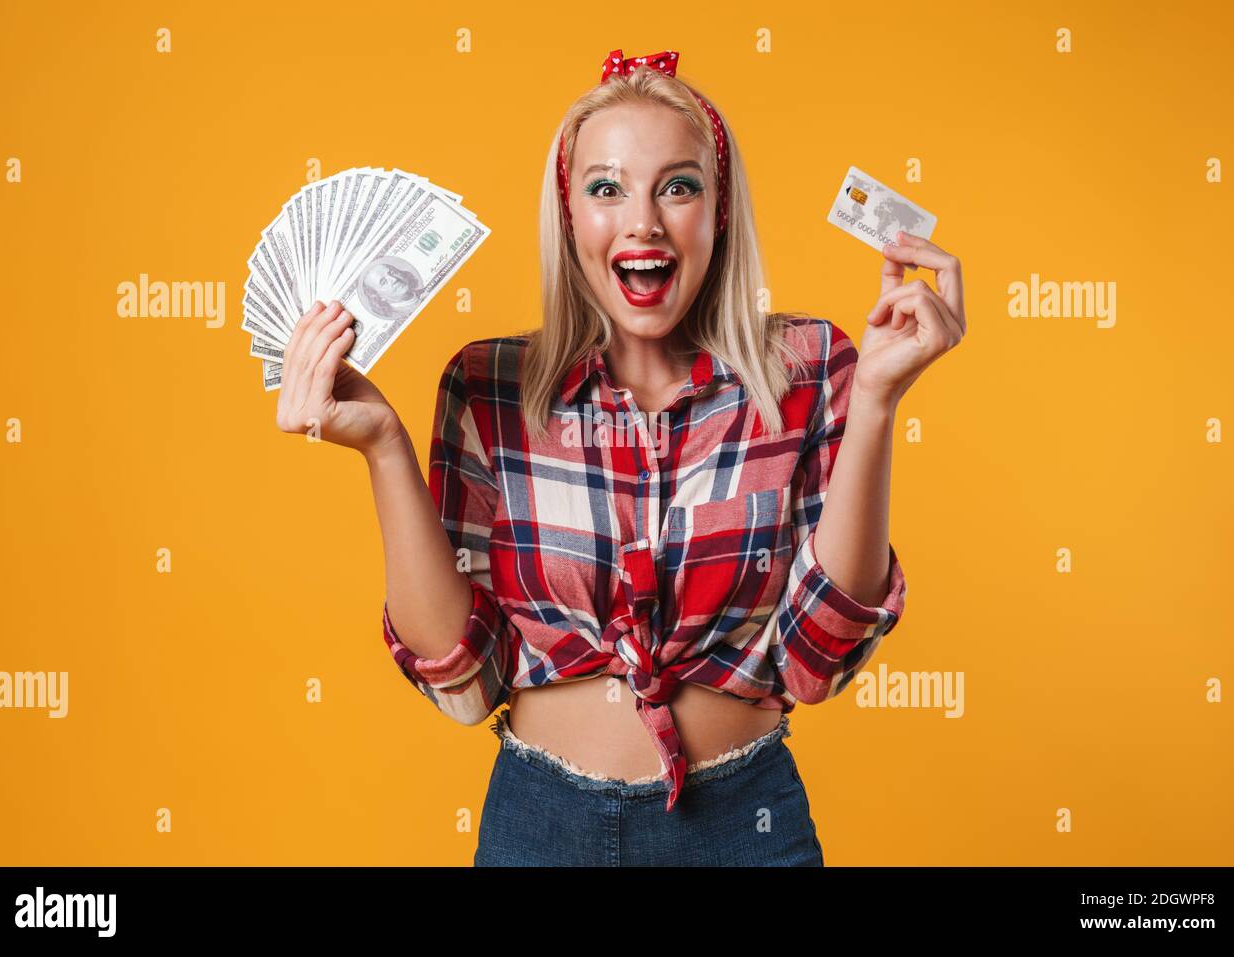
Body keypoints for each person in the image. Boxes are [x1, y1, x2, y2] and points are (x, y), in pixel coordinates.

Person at [273, 47, 965, 866]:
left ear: (720, 211)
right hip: (539, 828)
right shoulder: (488, 385)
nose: (644, 220)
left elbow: (819, 656)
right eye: (606, 188)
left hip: (744, 829)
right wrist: (382, 445)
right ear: (569, 216)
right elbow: (464, 686)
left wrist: (881, 397)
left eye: (678, 185)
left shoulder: (810, 369)